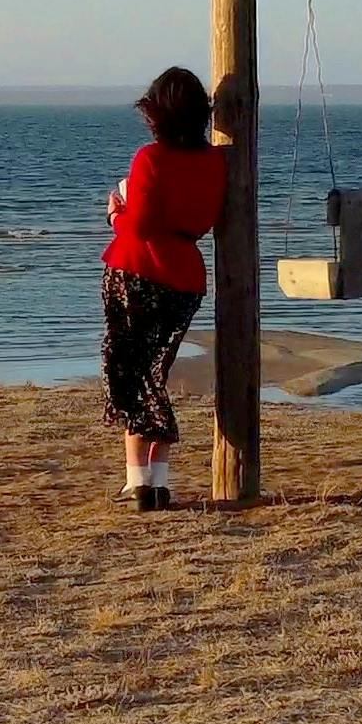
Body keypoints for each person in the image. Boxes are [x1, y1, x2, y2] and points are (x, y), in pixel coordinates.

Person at [100, 66, 229, 511]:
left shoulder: (150, 158)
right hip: (184, 275)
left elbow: (138, 226)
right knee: (155, 371)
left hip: (137, 268)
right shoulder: (215, 162)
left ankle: (139, 481)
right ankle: (155, 481)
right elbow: (204, 219)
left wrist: (115, 213)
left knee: (131, 373)